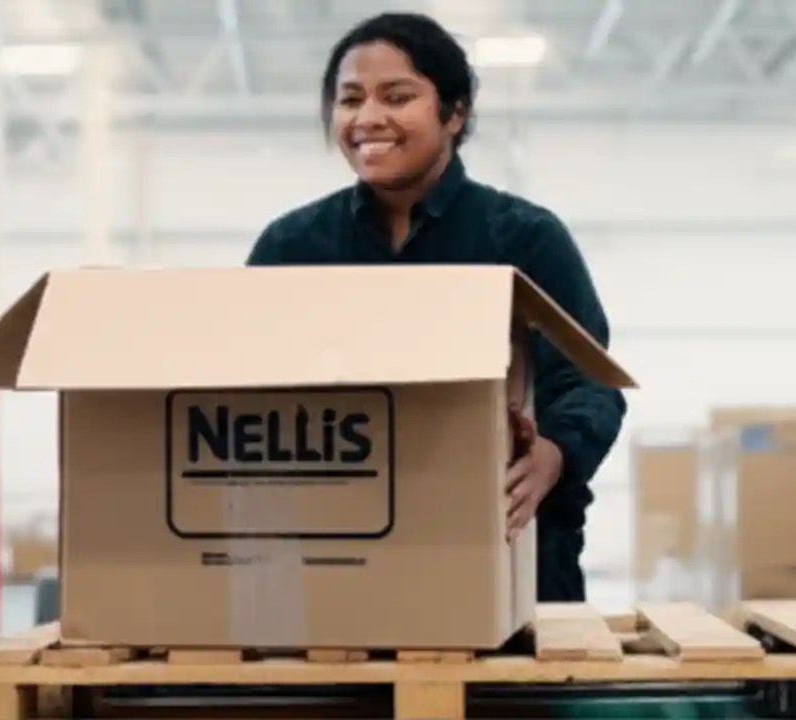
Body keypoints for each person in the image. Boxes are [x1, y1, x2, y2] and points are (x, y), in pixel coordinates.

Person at [244, 12, 626, 604]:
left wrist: (554, 454)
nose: (368, 118)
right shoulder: (292, 248)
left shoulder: (523, 238)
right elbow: (243, 393)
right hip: (332, 565)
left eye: (397, 96)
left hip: (510, 557)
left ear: (454, 112)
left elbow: (591, 384)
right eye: (349, 100)